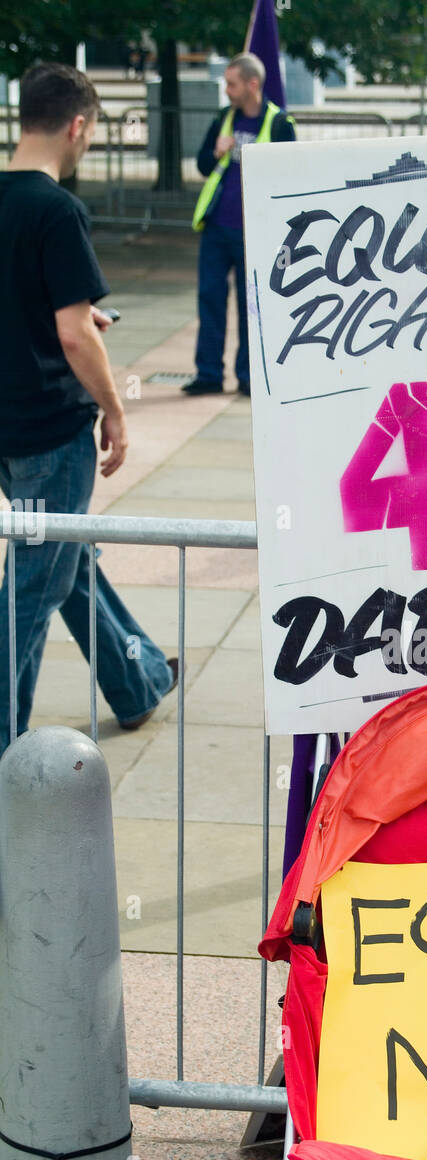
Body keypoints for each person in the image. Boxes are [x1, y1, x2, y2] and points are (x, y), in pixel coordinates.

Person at [0, 62, 177, 754]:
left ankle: (139, 680)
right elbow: (75, 335)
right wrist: (116, 410)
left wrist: (64, 321)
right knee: (32, 589)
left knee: (63, 561)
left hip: (10, 427)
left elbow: (38, 309)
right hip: (51, 429)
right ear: (77, 125)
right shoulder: (57, 210)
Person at [184, 53, 296, 398]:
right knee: (210, 299)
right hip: (217, 226)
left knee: (252, 307)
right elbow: (203, 166)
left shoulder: (280, 123)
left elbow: (292, 175)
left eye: (232, 84)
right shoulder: (224, 118)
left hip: (255, 232)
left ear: (252, 84)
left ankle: (248, 376)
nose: (227, 90)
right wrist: (215, 152)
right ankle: (208, 374)